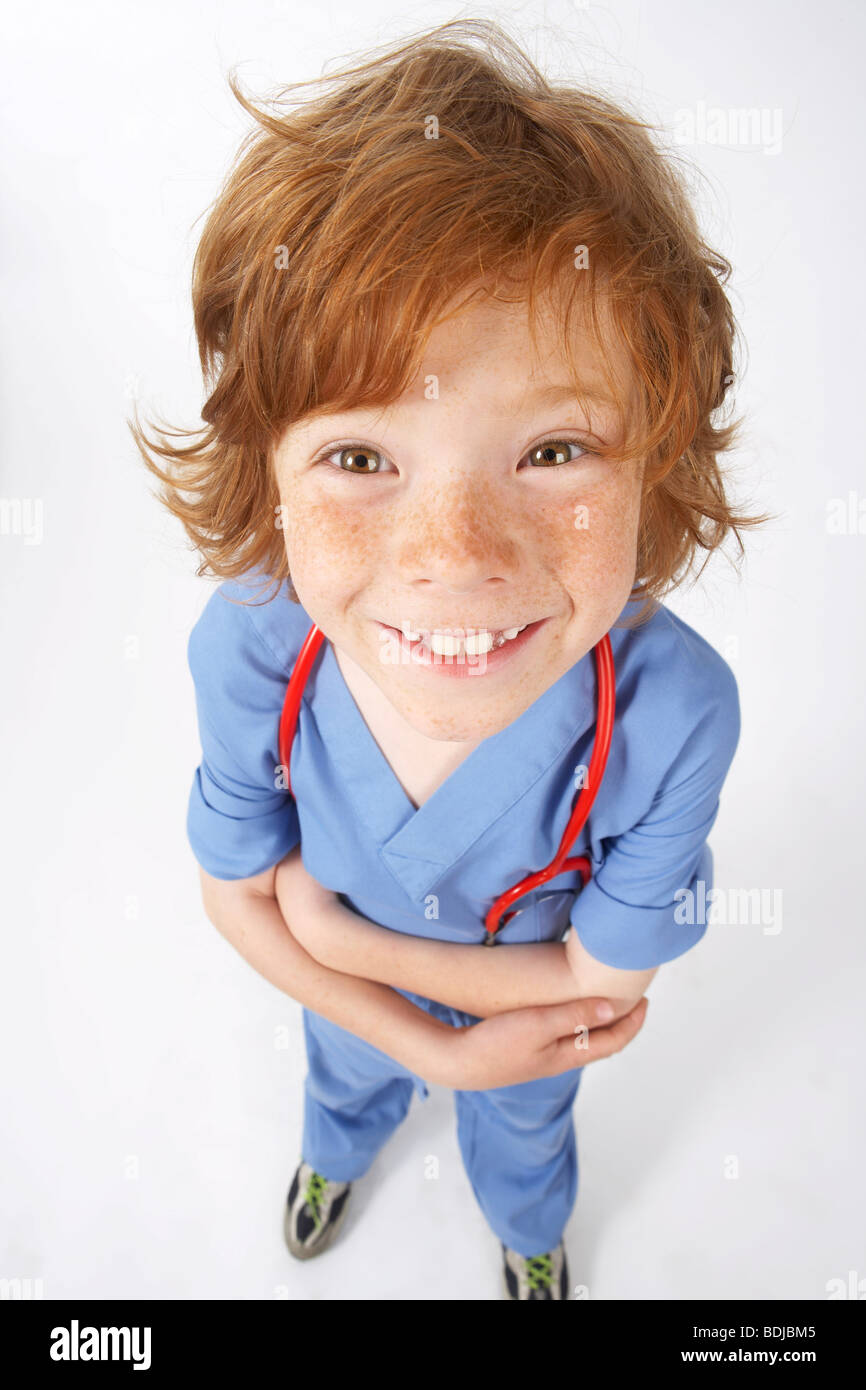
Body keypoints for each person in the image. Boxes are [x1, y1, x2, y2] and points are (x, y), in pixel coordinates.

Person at [130, 18, 763, 1300]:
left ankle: (528, 1235)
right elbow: (230, 896)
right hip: (351, 1000)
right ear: (269, 474)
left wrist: (347, 945)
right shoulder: (250, 642)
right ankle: (333, 1154)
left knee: (527, 1131)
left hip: (520, 1038)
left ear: (660, 464)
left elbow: (596, 983)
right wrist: (398, 1015)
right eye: (359, 459)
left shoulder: (678, 712)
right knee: (341, 1074)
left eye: (552, 451)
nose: (453, 556)